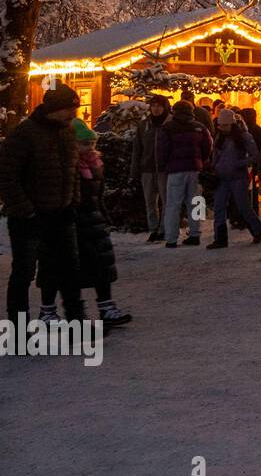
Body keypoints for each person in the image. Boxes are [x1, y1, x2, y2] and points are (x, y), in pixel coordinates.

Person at [0, 83, 85, 323]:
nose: (74, 114)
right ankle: (18, 330)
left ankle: (76, 320)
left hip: (61, 214)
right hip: (30, 218)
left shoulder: (67, 132)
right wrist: (26, 210)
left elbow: (72, 170)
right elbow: (7, 175)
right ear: (54, 109)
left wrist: (72, 202)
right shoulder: (25, 133)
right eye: (70, 109)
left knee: (69, 271)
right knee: (24, 273)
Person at [71, 118, 132, 326]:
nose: (89, 148)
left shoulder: (95, 164)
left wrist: (104, 216)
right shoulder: (71, 166)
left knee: (103, 266)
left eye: (91, 144)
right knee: (78, 268)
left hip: (95, 220)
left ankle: (107, 306)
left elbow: (99, 194)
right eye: (84, 144)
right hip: (78, 222)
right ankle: (77, 313)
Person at [156, 99, 212, 247]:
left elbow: (162, 150)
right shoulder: (199, 127)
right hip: (195, 168)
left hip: (175, 170)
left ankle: (171, 238)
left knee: (173, 204)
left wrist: (162, 166)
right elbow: (208, 146)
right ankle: (195, 234)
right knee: (196, 202)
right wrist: (201, 161)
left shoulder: (167, 128)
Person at [208, 108, 261, 248]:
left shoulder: (244, 136)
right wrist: (213, 167)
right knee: (219, 206)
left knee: (242, 206)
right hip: (221, 177)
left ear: (232, 124)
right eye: (221, 125)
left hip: (238, 177)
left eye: (226, 125)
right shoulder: (219, 136)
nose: (223, 128)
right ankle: (220, 239)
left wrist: (238, 164)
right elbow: (215, 154)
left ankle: (257, 230)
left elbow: (255, 156)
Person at [131, 94, 171, 242]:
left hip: (164, 169)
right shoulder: (144, 125)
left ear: (165, 107)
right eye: (153, 106)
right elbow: (137, 149)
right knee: (150, 201)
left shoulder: (170, 124)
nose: (156, 109)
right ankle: (153, 228)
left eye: (159, 106)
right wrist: (135, 169)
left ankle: (164, 229)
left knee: (166, 200)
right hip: (147, 168)